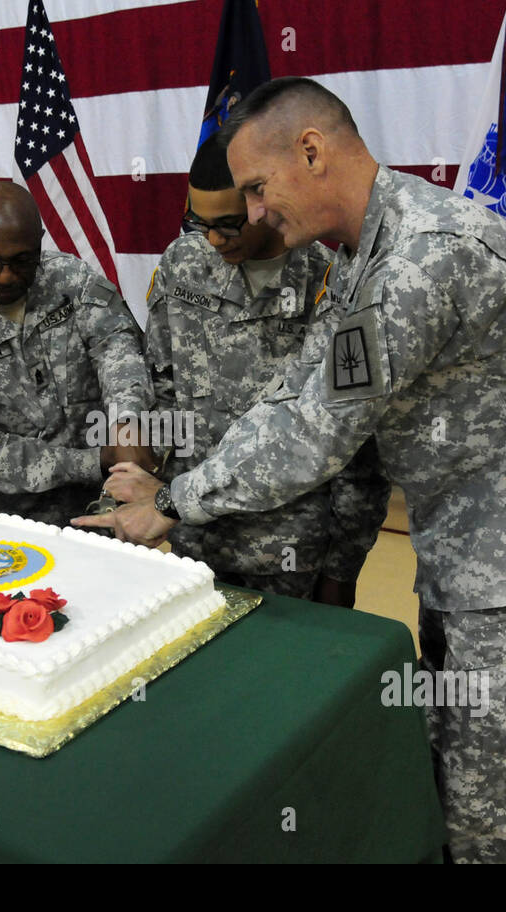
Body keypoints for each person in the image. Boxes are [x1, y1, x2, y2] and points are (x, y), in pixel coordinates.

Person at [75, 78, 506, 864]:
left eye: (258, 188)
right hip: (469, 560)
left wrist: (176, 501)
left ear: (312, 150)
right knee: (449, 778)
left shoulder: (423, 259)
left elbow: (314, 428)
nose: (252, 212)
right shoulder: (367, 251)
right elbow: (296, 390)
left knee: (498, 825)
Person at [147, 135, 389, 602]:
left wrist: (343, 568)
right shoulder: (183, 264)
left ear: (263, 201)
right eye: (200, 222)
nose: (213, 240)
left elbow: (358, 452)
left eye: (229, 225)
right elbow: (162, 383)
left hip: (287, 552)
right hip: (189, 541)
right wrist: (143, 470)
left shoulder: (331, 282)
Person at [0, 181, 153, 527]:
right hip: (4, 522)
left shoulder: (72, 281)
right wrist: (95, 459)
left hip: (99, 509)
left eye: (22, 261)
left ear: (39, 242)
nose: (5, 276)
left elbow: (116, 345)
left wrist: (128, 420)